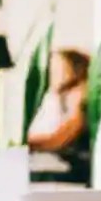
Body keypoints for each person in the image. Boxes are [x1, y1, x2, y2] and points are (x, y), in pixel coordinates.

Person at [28, 48, 91, 181]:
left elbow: (59, 139)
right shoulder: (64, 94)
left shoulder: (80, 92)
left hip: (81, 169)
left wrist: (21, 145)